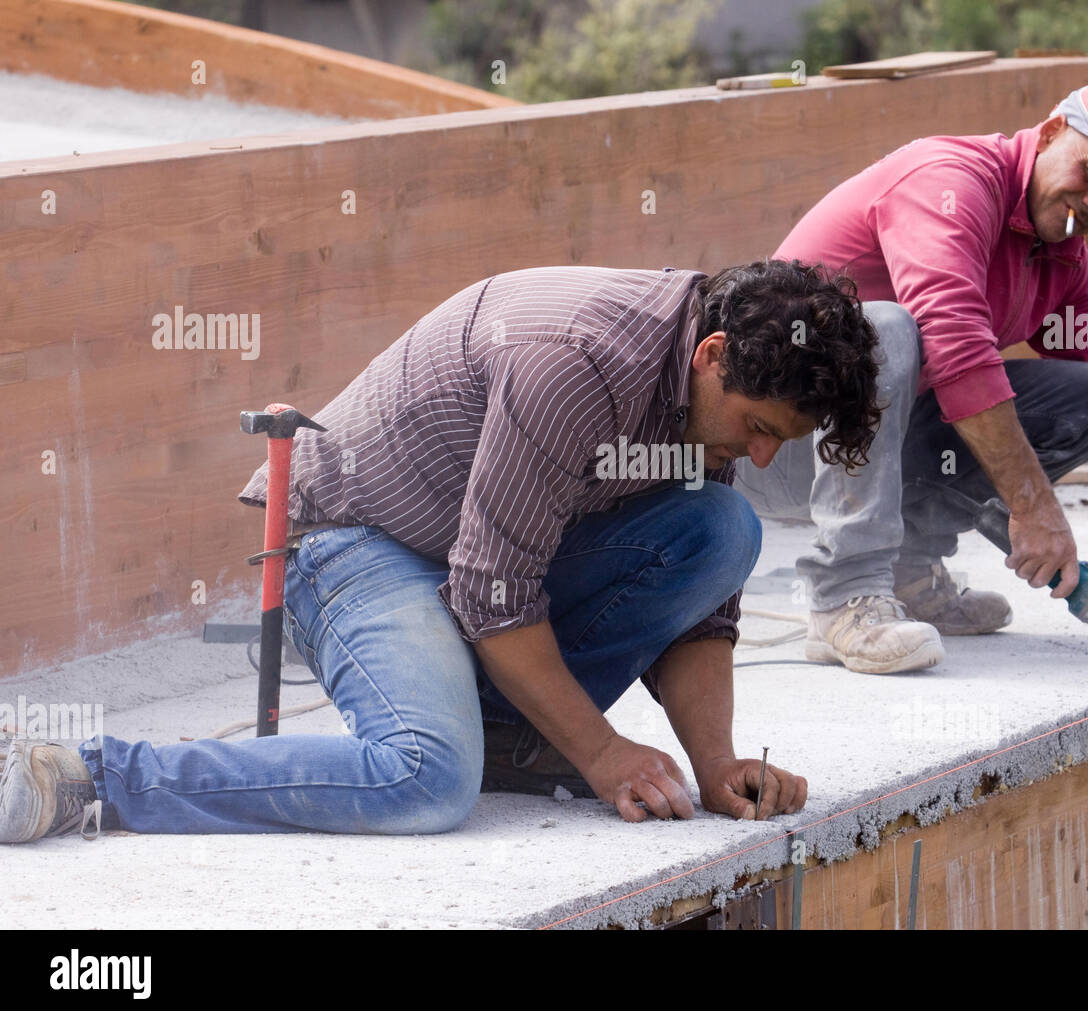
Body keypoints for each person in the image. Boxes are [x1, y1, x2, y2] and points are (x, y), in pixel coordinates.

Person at [1, 259, 882, 843]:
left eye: (781, 442)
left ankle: (510, 738)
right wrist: (603, 751)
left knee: (723, 528)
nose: (762, 456)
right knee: (426, 778)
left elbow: (703, 612)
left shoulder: (701, 397)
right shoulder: (573, 361)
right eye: (758, 429)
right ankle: (85, 774)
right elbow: (492, 594)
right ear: (713, 355)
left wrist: (717, 764)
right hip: (357, 540)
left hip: (476, 566)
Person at [735, 85, 1088, 674]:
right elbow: (954, 340)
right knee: (889, 331)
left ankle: (909, 573)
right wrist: (1034, 507)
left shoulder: (1061, 258)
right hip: (772, 444)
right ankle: (844, 597)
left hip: (867, 445)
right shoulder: (951, 182)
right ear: (1050, 134)